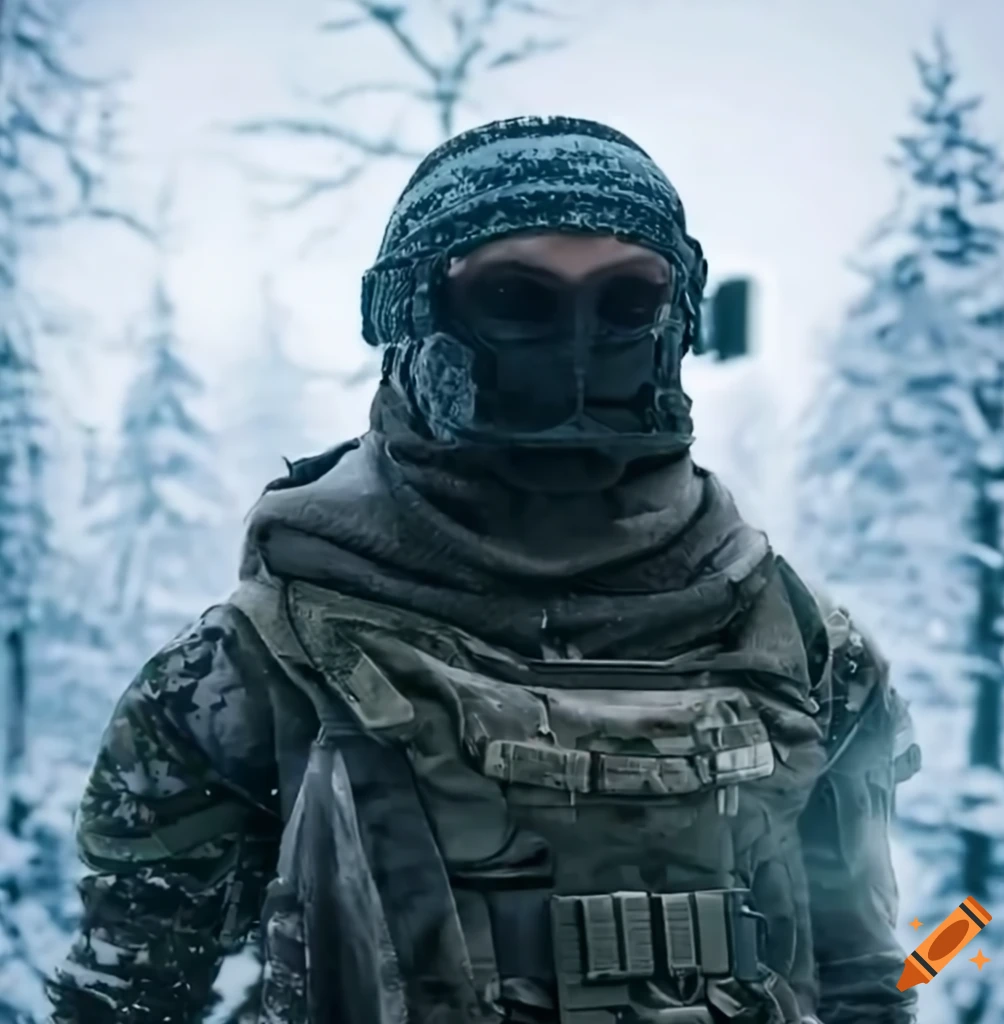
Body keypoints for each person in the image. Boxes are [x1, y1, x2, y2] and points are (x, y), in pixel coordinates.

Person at [46, 116, 921, 1024]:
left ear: (679, 322)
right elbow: (126, 998)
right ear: (416, 315)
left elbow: (860, 976)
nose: (579, 344)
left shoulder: (799, 644)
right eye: (515, 297)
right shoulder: (255, 662)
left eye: (629, 300)